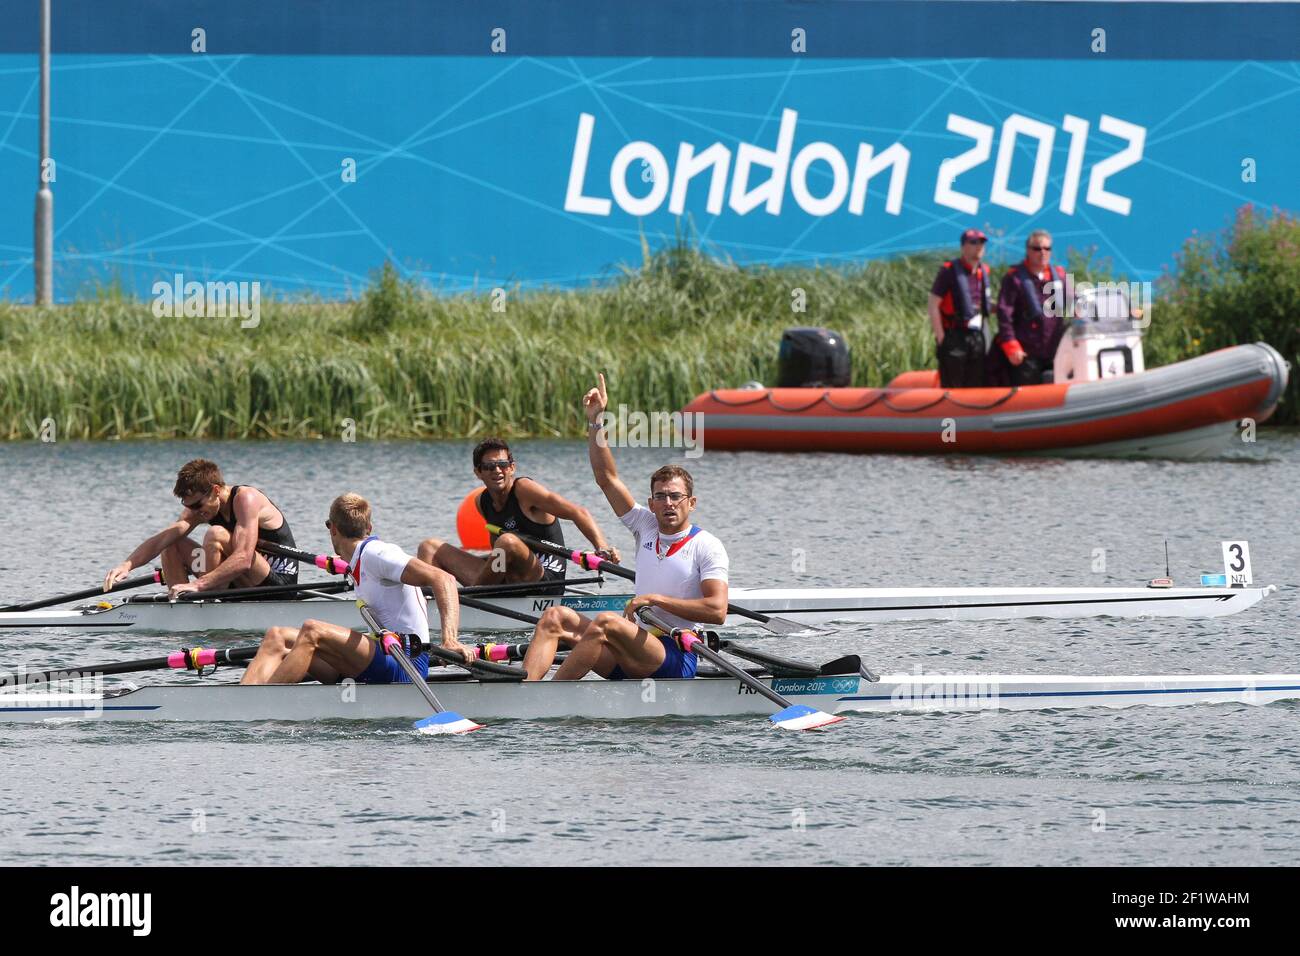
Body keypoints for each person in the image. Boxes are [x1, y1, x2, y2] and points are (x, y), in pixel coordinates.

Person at [522, 374, 729, 682]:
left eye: (676, 496)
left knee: (606, 621)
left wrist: (655, 599)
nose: (668, 503)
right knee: (555, 617)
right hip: (635, 648)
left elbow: (717, 611)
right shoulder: (645, 524)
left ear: (691, 502)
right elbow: (606, 478)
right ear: (652, 502)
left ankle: (547, 699)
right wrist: (596, 422)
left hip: (675, 653)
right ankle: (524, 690)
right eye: (661, 497)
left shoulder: (707, 545)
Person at [241, 492, 470, 685]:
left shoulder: (378, 554)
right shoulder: (359, 559)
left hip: (407, 662)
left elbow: (444, 579)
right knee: (276, 636)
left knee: (312, 630)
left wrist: (450, 640)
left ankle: (266, 704)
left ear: (332, 529)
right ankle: (242, 703)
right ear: (368, 527)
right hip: (382, 653)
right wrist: (346, 565)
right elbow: (361, 568)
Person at [416, 438, 619, 593]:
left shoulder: (525, 490)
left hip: (546, 578)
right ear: (478, 472)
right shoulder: (482, 502)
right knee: (429, 547)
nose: (497, 471)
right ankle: (426, 604)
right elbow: (499, 553)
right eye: (488, 467)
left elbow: (578, 512)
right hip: (506, 576)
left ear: (512, 468)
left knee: (508, 542)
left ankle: (473, 598)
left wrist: (601, 548)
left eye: (503, 465)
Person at [102, 458, 299, 599]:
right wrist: (127, 565)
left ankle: (206, 597)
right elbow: (163, 538)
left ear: (215, 490)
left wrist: (198, 584)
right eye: (188, 507)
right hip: (237, 581)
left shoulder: (246, 499)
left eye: (197, 505)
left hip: (277, 583)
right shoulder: (202, 507)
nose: (195, 511)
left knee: (216, 534)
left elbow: (244, 559)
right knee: (173, 544)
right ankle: (182, 604)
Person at [993, 229, 1069, 386]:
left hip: (1054, 351)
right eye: (1037, 248)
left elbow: (1075, 300)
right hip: (1026, 353)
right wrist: (1011, 346)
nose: (1042, 253)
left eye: (1047, 249)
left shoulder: (1060, 275)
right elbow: (1004, 314)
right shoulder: (1014, 278)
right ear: (1028, 250)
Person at [928, 228, 992, 388]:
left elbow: (983, 304)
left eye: (982, 243)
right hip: (954, 337)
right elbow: (933, 304)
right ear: (963, 247)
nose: (979, 246)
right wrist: (942, 338)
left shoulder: (984, 271)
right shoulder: (949, 270)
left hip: (977, 337)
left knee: (976, 383)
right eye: (973, 242)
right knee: (953, 385)